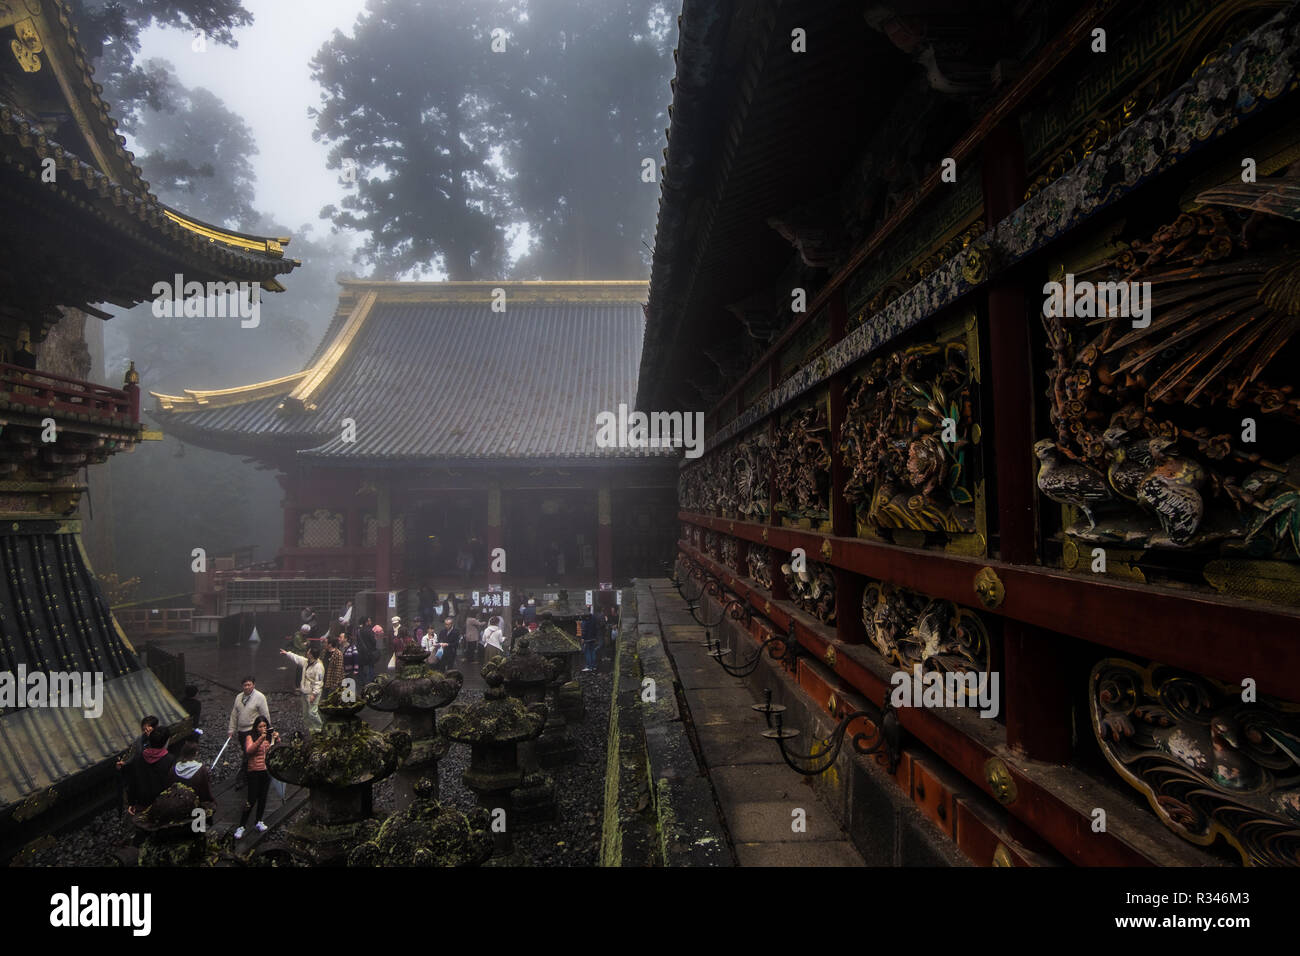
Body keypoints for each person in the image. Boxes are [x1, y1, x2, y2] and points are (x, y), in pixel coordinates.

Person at [235, 716, 280, 839]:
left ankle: (259, 820)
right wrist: (261, 738)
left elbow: (275, 751)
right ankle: (242, 825)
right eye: (260, 726)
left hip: (266, 771)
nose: (263, 728)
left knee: (263, 797)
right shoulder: (250, 737)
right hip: (254, 771)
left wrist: (277, 739)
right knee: (251, 799)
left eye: (265, 726)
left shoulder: (268, 737)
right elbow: (249, 750)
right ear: (256, 727)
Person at [227, 676, 270, 790]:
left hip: (252, 730)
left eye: (249, 685)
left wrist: (268, 730)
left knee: (248, 753)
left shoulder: (260, 697)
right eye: (245, 685)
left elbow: (265, 714)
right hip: (241, 730)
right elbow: (234, 714)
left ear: (253, 685)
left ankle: (242, 778)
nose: (246, 687)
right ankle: (251, 774)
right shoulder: (238, 697)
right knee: (247, 753)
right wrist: (231, 729)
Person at [125, 726, 175, 815]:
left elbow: (132, 781)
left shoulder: (138, 757)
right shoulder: (169, 759)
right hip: (160, 802)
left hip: (142, 801)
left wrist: (131, 802)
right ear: (166, 742)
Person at [281, 645, 324, 735]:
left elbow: (318, 682)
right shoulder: (306, 662)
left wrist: (314, 694)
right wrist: (287, 653)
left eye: (309, 651)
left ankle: (319, 728)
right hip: (304, 692)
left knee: (312, 712)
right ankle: (310, 728)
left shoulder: (319, 667)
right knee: (305, 713)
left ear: (312, 655)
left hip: (312, 693)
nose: (307, 652)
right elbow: (297, 658)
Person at [170, 737, 214, 805]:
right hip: (195, 802)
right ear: (196, 753)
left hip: (178, 801)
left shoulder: (174, 768)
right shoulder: (201, 770)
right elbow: (205, 789)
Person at [356, 617, 377, 684]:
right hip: (369, 652)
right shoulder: (369, 630)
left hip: (361, 652)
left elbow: (357, 641)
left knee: (361, 667)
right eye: (369, 621)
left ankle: (362, 680)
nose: (370, 622)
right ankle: (369, 682)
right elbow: (373, 642)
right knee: (371, 666)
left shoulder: (359, 631)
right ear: (366, 622)